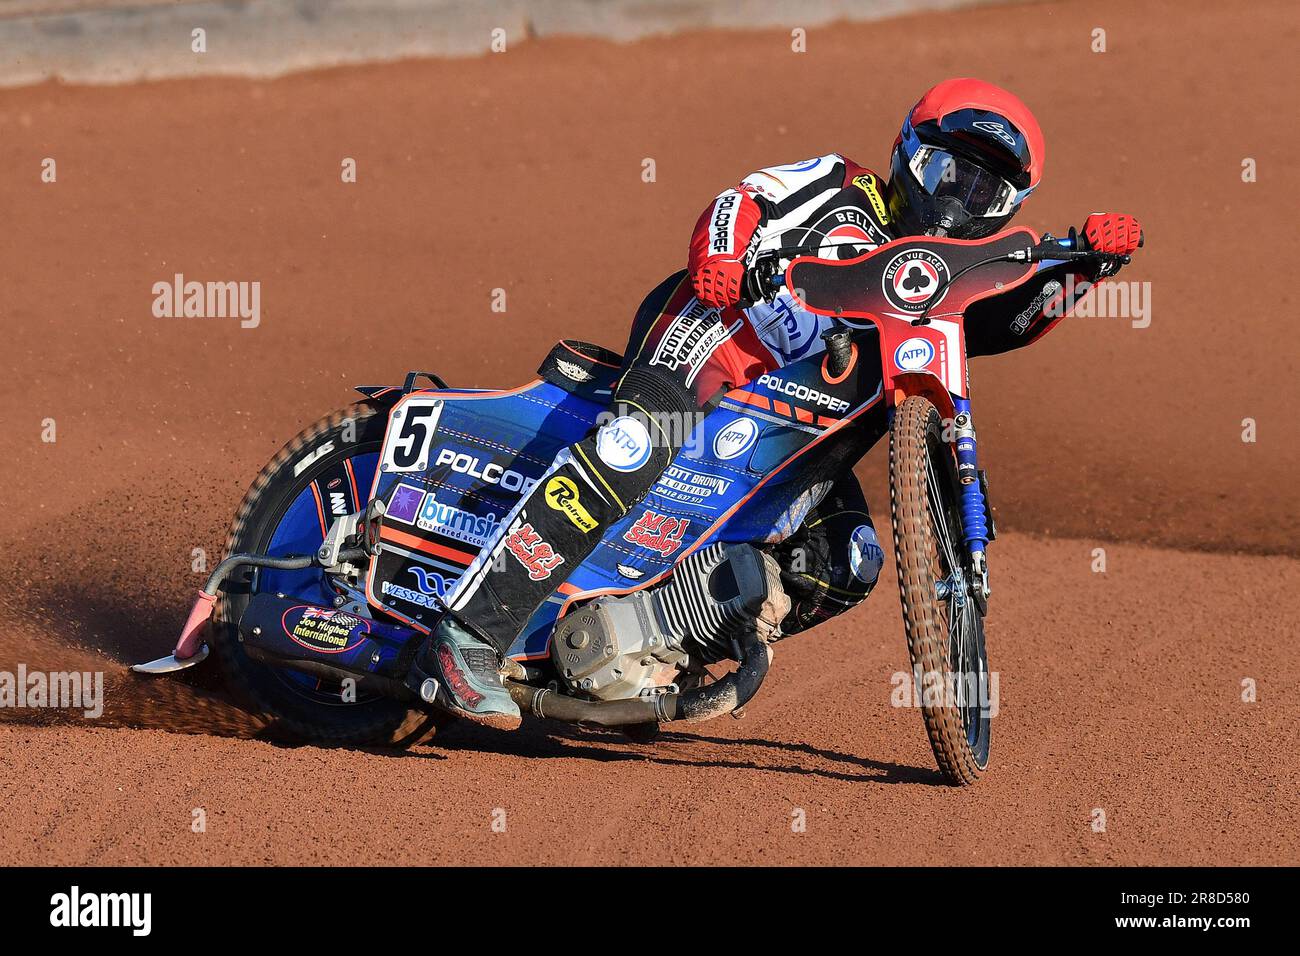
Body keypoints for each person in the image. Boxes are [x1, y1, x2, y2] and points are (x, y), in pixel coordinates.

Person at [409, 77, 1144, 729]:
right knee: (635, 446)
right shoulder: (837, 182)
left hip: (790, 431)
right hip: (714, 339)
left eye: (982, 189)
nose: (958, 197)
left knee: (846, 560)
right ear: (909, 154)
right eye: (949, 171)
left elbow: (1006, 322)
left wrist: (1090, 268)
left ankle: (656, 643)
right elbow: (741, 201)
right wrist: (723, 262)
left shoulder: (950, 286)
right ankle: (469, 635)